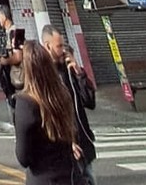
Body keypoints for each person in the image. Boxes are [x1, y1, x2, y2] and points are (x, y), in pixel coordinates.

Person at [14, 41, 81, 185]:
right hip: (71, 176)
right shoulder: (63, 94)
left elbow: (23, 158)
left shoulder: (26, 103)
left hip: (44, 177)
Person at [42, 27, 96, 184]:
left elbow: (89, 101)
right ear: (47, 46)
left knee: (90, 178)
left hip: (83, 141)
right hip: (65, 148)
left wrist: (79, 73)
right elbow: (49, 115)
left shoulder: (70, 70)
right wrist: (66, 142)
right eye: (59, 47)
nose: (62, 51)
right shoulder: (45, 76)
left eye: (63, 46)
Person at [0, 5, 24, 110]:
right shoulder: (9, 32)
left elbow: (18, 57)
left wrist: (5, 61)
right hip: (14, 79)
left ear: (4, 16)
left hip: (20, 80)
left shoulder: (15, 32)